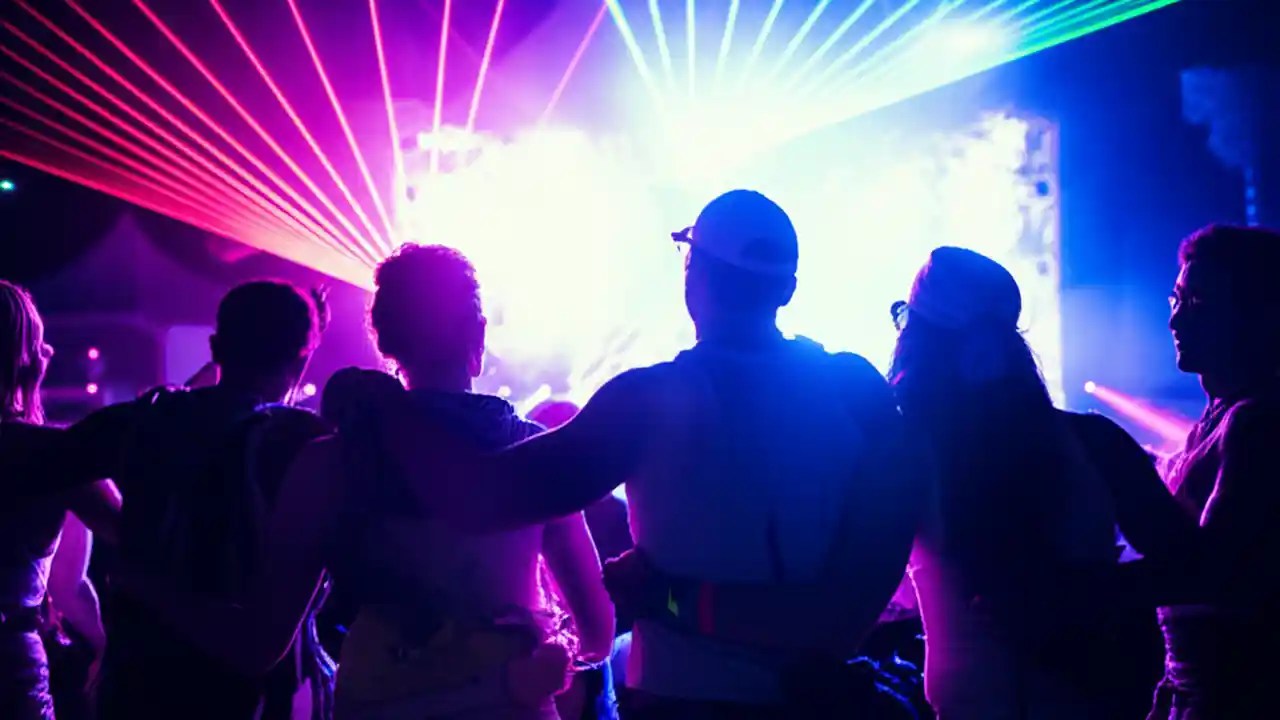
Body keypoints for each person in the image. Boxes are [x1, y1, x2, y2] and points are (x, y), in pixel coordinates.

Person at [393, 190, 923, 718]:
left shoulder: (649, 403)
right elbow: (843, 613)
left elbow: (479, 499)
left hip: (683, 706)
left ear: (694, 277)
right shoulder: (859, 395)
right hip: (824, 702)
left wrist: (385, 408)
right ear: (787, 289)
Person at [128, 244, 616, 720]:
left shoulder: (331, 463)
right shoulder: (535, 453)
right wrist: (545, 654)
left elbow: (259, 644)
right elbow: (597, 630)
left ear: (384, 344)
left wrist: (146, 588)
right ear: (479, 335)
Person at [10, 280, 334, 719]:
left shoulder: (141, 426)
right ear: (301, 361)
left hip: (143, 686)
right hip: (260, 696)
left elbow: (39, 462)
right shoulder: (311, 449)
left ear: (216, 346)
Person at [1141, 224, 1280, 719]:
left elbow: (1207, 573)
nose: (1176, 320)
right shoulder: (1210, 425)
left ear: (1256, 317)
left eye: (1198, 302)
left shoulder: (1258, 422)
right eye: (1176, 299)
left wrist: (1068, 592)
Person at [0, 280, 119, 720]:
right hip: (9, 662)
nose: (49, 353)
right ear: (24, 358)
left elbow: (66, 583)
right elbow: (135, 535)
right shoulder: (53, 452)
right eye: (39, 343)